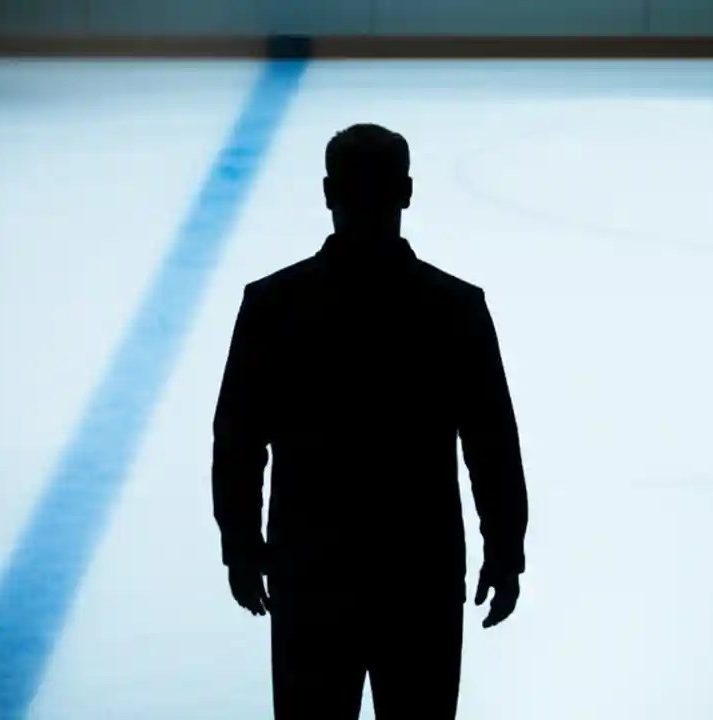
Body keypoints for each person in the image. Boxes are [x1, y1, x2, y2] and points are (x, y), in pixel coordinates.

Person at [212, 123, 528, 719]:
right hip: (420, 576)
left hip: (311, 573)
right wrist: (504, 549)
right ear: (406, 192)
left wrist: (241, 545)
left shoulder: (273, 304)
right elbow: (492, 444)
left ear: (329, 192)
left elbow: (239, 440)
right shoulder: (454, 307)